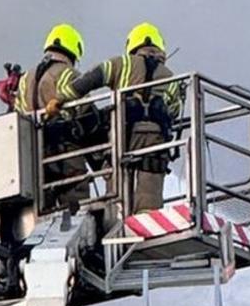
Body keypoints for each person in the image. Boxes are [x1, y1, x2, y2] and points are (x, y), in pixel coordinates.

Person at [50, 22, 182, 212]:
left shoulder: (122, 63)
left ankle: (116, 215)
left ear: (133, 46)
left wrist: (60, 99)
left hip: (122, 134)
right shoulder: (171, 78)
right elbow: (174, 111)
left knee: (117, 191)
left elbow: (90, 79)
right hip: (155, 138)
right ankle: (146, 219)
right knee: (150, 188)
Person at [16, 23, 90, 208]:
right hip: (65, 150)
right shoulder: (68, 73)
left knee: (43, 205)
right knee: (76, 198)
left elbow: (17, 112)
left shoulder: (25, 78)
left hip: (33, 153)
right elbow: (85, 110)